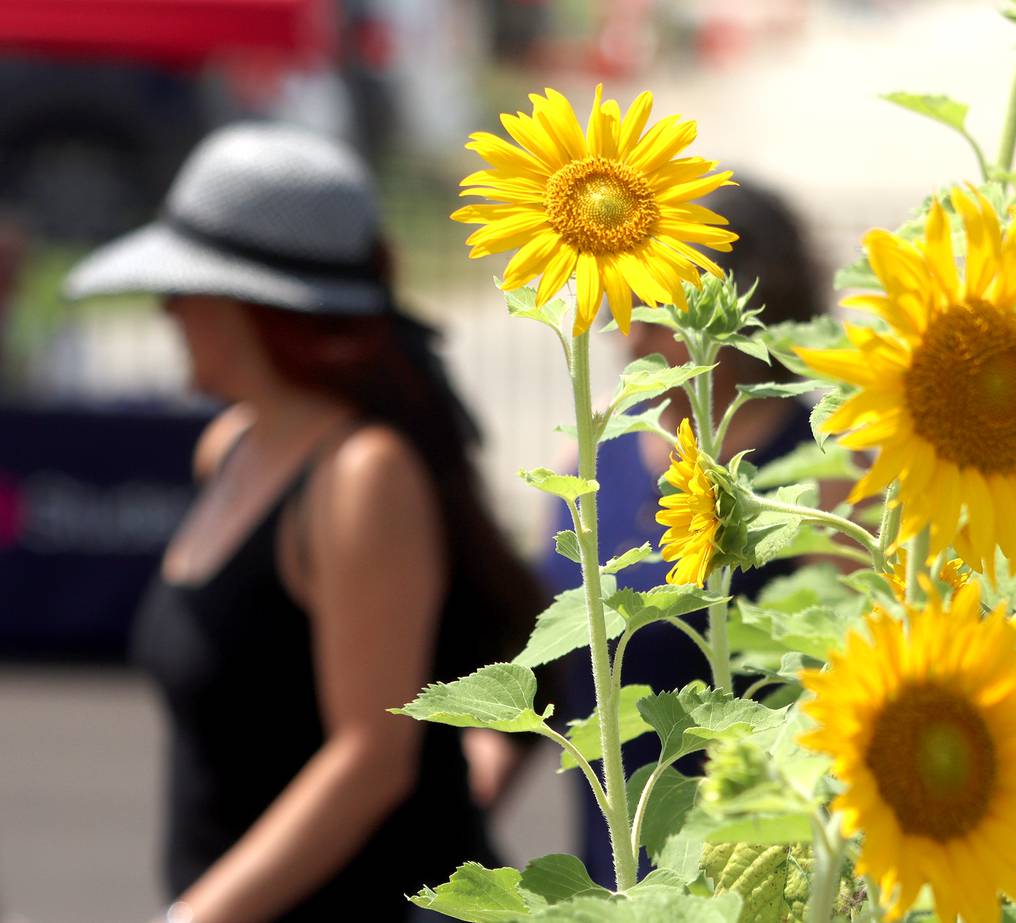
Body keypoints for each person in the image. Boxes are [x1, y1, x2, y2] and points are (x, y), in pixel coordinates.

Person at [63, 123, 546, 923]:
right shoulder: (231, 446)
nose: (165, 308)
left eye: (184, 286)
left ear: (254, 306)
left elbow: (372, 758)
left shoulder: (363, 474)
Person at [537, 178, 828, 884]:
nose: (631, 332)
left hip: (749, 875)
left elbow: (839, 681)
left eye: (659, 308)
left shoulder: (819, 471)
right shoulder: (593, 441)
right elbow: (553, 652)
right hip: (611, 863)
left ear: (736, 308)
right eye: (627, 299)